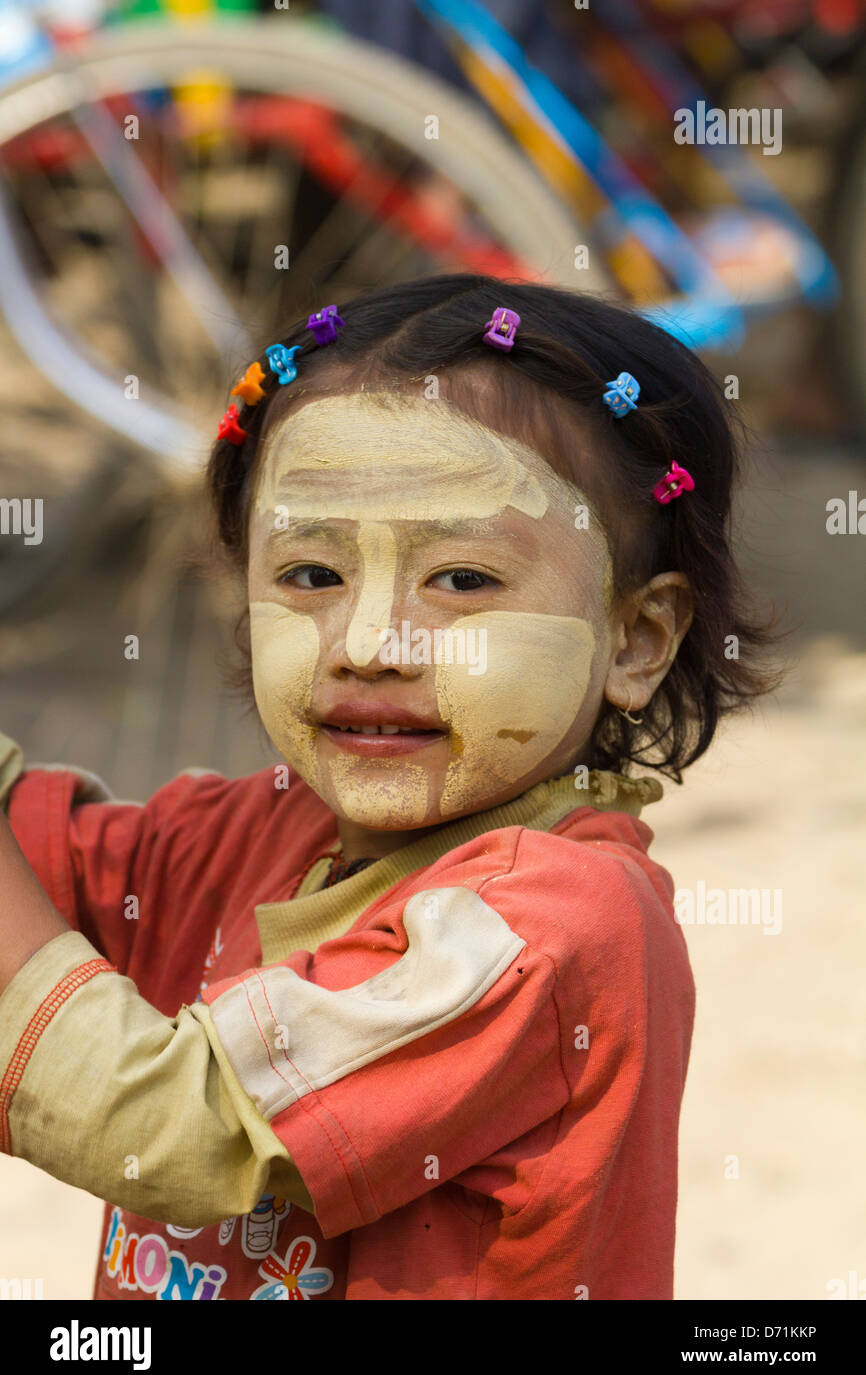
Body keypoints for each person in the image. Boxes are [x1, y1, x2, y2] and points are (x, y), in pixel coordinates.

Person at [0, 273, 777, 1301]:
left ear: (634, 640)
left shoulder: (544, 930)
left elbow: (170, 1129)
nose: (370, 645)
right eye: (310, 576)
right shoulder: (249, 834)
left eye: (459, 580)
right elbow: (38, 865)